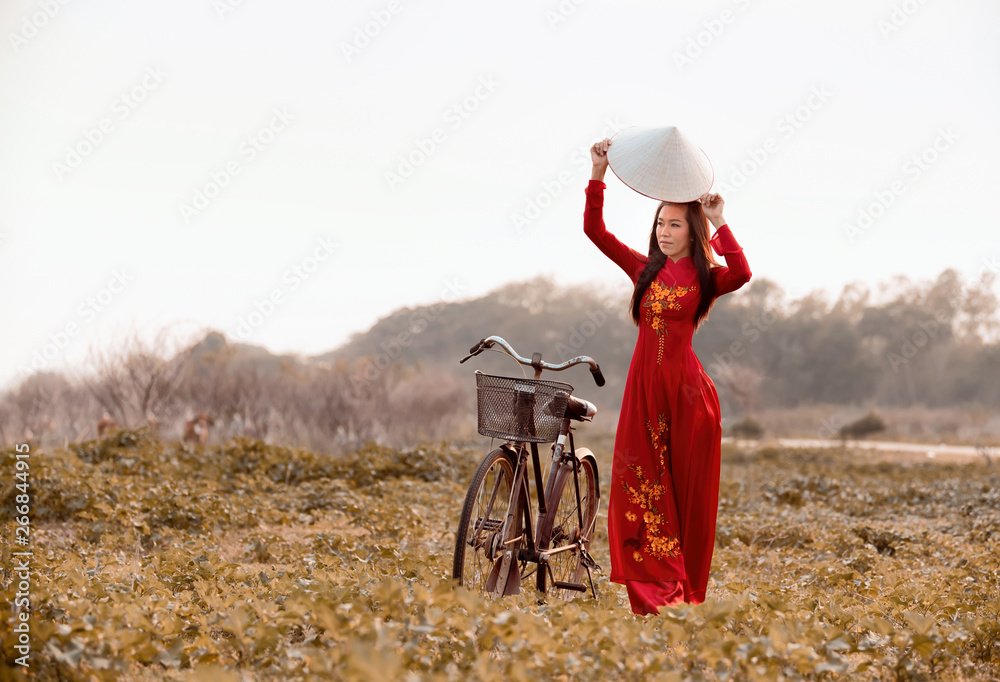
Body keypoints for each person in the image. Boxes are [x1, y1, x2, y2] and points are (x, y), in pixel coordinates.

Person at [584, 137, 752, 615]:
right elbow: (595, 231)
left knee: (683, 495)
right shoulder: (642, 270)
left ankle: (680, 592)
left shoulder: (705, 277)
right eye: (660, 222)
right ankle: (653, 593)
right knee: (638, 484)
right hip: (644, 393)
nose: (664, 231)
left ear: (690, 230)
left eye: (674, 224)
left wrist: (720, 221)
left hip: (688, 397)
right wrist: (597, 174)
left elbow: (742, 272)